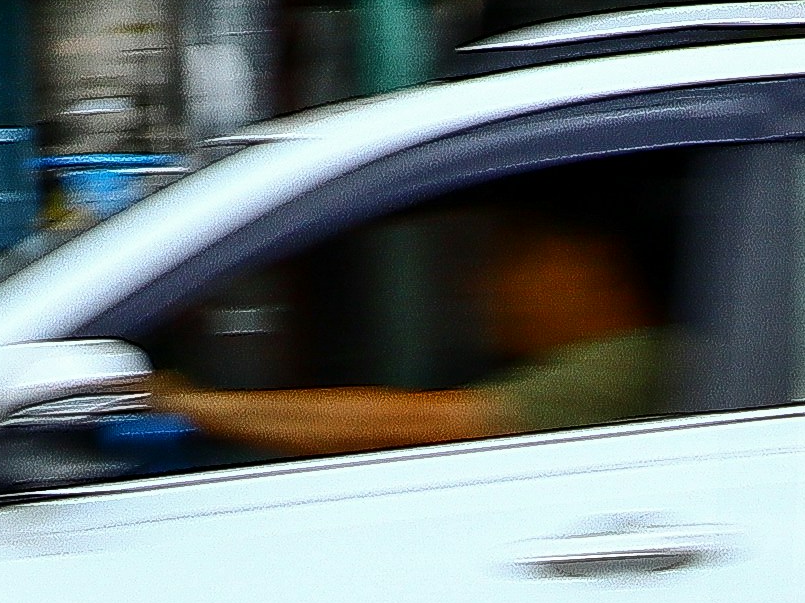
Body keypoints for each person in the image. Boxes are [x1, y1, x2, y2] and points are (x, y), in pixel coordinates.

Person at [146, 187, 675, 457]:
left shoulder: (627, 364)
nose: (484, 286)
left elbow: (416, 425)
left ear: (590, 266)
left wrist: (186, 403)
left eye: (516, 256)